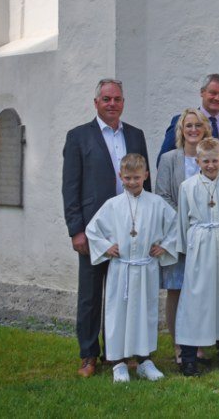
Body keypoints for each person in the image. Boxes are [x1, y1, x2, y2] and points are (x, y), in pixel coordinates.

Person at [61, 78, 150, 378]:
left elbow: (144, 184)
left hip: (130, 228)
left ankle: (121, 352)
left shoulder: (135, 135)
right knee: (90, 294)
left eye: (118, 99)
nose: (112, 104)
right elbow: (70, 187)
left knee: (125, 292)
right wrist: (77, 229)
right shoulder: (78, 137)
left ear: (123, 102)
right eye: (107, 99)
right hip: (94, 230)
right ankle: (89, 354)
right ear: (96, 102)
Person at [84, 153, 178, 382]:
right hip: (121, 269)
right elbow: (92, 230)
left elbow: (175, 225)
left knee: (145, 313)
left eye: (136, 177)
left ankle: (145, 360)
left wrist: (164, 246)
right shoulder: (113, 205)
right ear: (120, 176)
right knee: (118, 314)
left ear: (146, 175)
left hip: (146, 269)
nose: (132, 182)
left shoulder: (156, 203)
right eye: (127, 178)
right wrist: (106, 247)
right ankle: (118, 363)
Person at [174, 138, 219, 377]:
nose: (211, 165)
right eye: (206, 161)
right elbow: (183, 220)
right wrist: (186, 251)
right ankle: (189, 357)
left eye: (215, 160)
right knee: (195, 299)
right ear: (198, 161)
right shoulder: (188, 186)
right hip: (199, 246)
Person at [155, 107, 211, 361]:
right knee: (176, 288)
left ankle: (197, 343)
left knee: (199, 288)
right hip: (176, 235)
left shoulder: (211, 159)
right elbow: (163, 196)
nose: (193, 130)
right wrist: (184, 219)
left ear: (205, 130)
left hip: (204, 235)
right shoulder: (169, 159)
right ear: (181, 130)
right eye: (188, 126)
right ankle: (179, 346)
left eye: (198, 126)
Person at [158, 73, 219, 159]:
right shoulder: (182, 121)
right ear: (202, 92)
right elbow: (163, 160)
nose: (217, 98)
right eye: (213, 93)